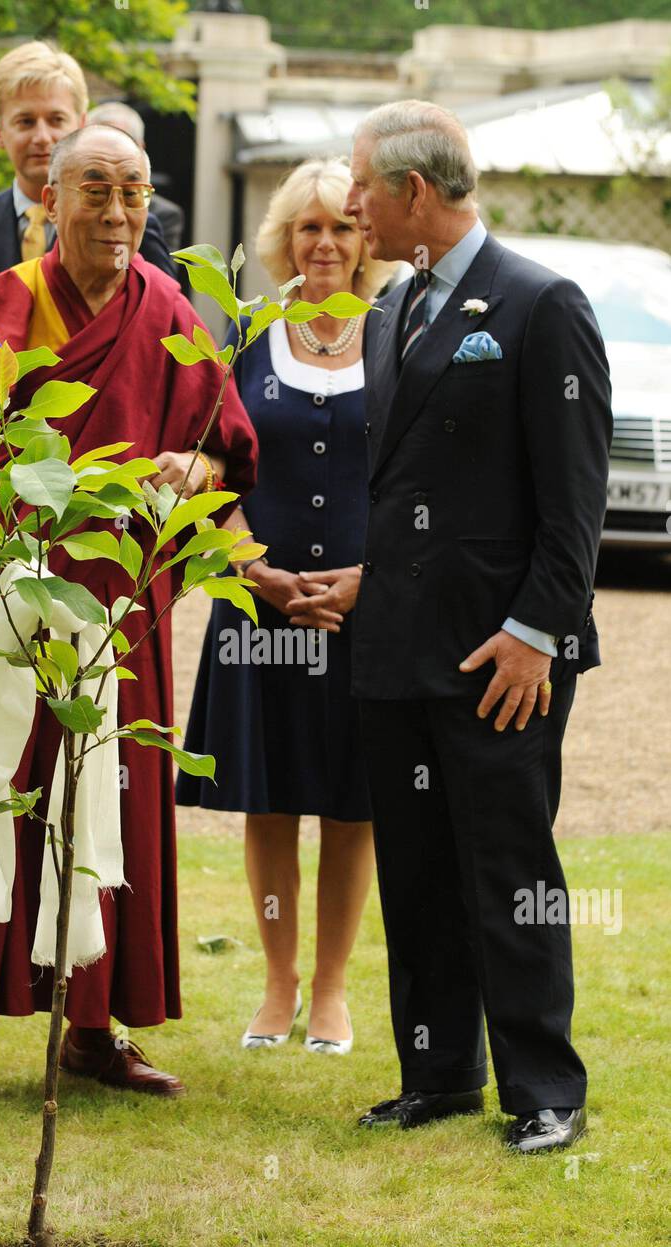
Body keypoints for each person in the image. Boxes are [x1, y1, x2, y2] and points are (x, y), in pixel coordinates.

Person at [0, 124, 257, 1106]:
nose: (115, 211)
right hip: (4, 610)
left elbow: (229, 453)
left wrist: (199, 471)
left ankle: (94, 1028)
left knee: (117, 812)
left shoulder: (175, 312)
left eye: (134, 193)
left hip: (114, 617)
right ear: (48, 202)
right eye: (94, 190)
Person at [343, 100, 612, 1152]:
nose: (350, 203)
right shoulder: (390, 312)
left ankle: (546, 1088)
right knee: (415, 873)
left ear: (414, 191)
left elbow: (575, 499)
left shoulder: (543, 305)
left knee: (510, 870)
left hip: (505, 657)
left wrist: (538, 633)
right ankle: (439, 1072)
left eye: (362, 185)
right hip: (398, 651)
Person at [176, 159, 391, 1055]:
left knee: (352, 803)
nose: (326, 243)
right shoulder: (243, 337)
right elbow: (202, 466)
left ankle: (333, 992)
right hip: (257, 610)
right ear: (282, 240)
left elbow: (424, 479)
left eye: (342, 227)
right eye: (308, 228)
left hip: (365, 610)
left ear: (364, 239)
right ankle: (276, 985)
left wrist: (369, 576)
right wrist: (253, 568)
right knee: (267, 801)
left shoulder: (396, 337)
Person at [0, 41, 178, 296]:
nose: (42, 136)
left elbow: (160, 322)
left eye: (56, 120)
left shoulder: (127, 224)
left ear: (82, 125)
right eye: (25, 121)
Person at [85, 102, 185, 251]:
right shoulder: (71, 203)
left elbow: (158, 273)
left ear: (140, 149)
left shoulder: (159, 217)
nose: (108, 156)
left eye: (119, 144)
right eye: (98, 146)